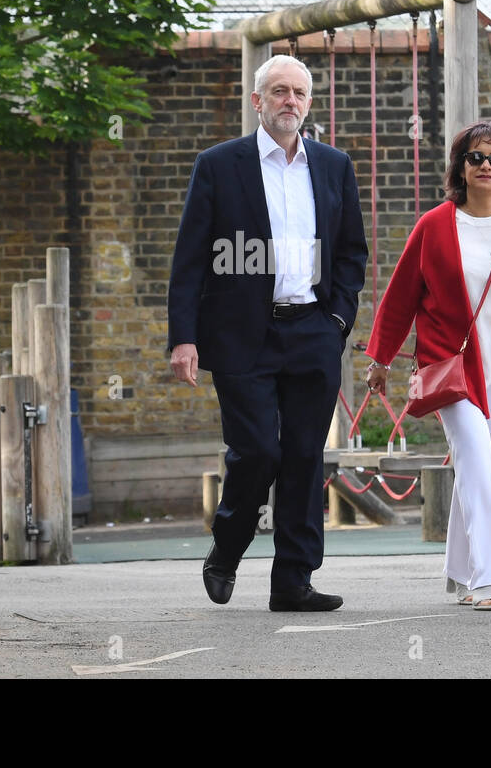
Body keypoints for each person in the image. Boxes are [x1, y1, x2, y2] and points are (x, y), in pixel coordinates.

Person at [168, 54, 368, 612]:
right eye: (278, 91)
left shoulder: (333, 166)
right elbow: (190, 259)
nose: (290, 101)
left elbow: (351, 251)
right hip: (239, 335)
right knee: (256, 451)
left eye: (299, 93)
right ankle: (227, 549)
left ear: (309, 102)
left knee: (305, 455)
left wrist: (337, 322)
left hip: (312, 329)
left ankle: (293, 582)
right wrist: (184, 336)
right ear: (258, 101)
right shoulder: (219, 165)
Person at [364, 120, 491, 611]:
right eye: (477, 158)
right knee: (474, 462)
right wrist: (381, 359)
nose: (487, 166)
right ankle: (488, 580)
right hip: (448, 369)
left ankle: (458, 571)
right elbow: (400, 297)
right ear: (461, 166)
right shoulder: (434, 225)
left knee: (481, 471)